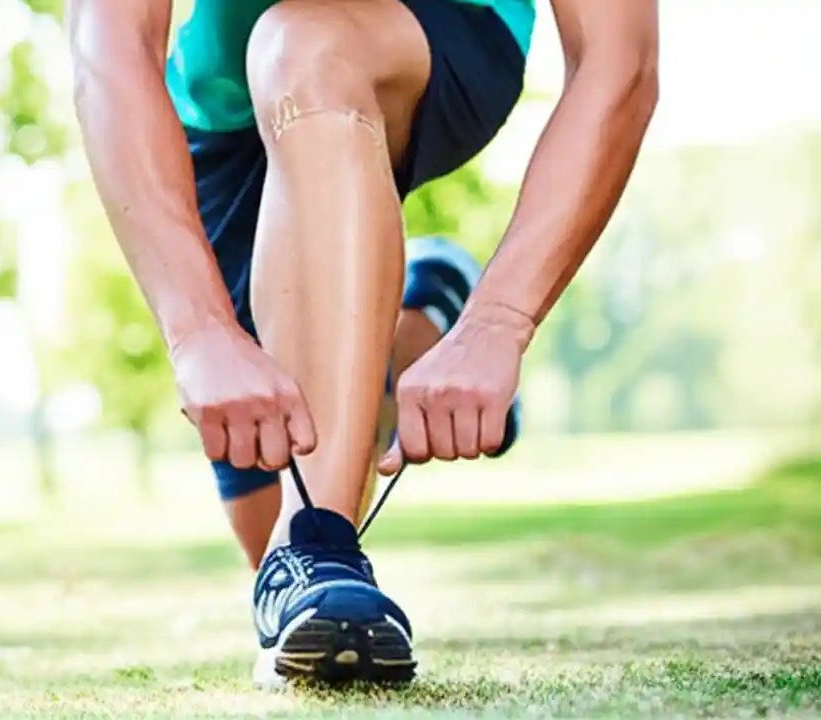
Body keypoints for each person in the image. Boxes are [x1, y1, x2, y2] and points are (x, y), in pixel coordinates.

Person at [67, 0, 657, 686]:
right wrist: (199, 331)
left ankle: (322, 536)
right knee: (279, 524)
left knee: (313, 542)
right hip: (219, 99)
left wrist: (501, 321)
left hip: (442, 29)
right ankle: (416, 326)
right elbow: (107, 47)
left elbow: (621, 60)